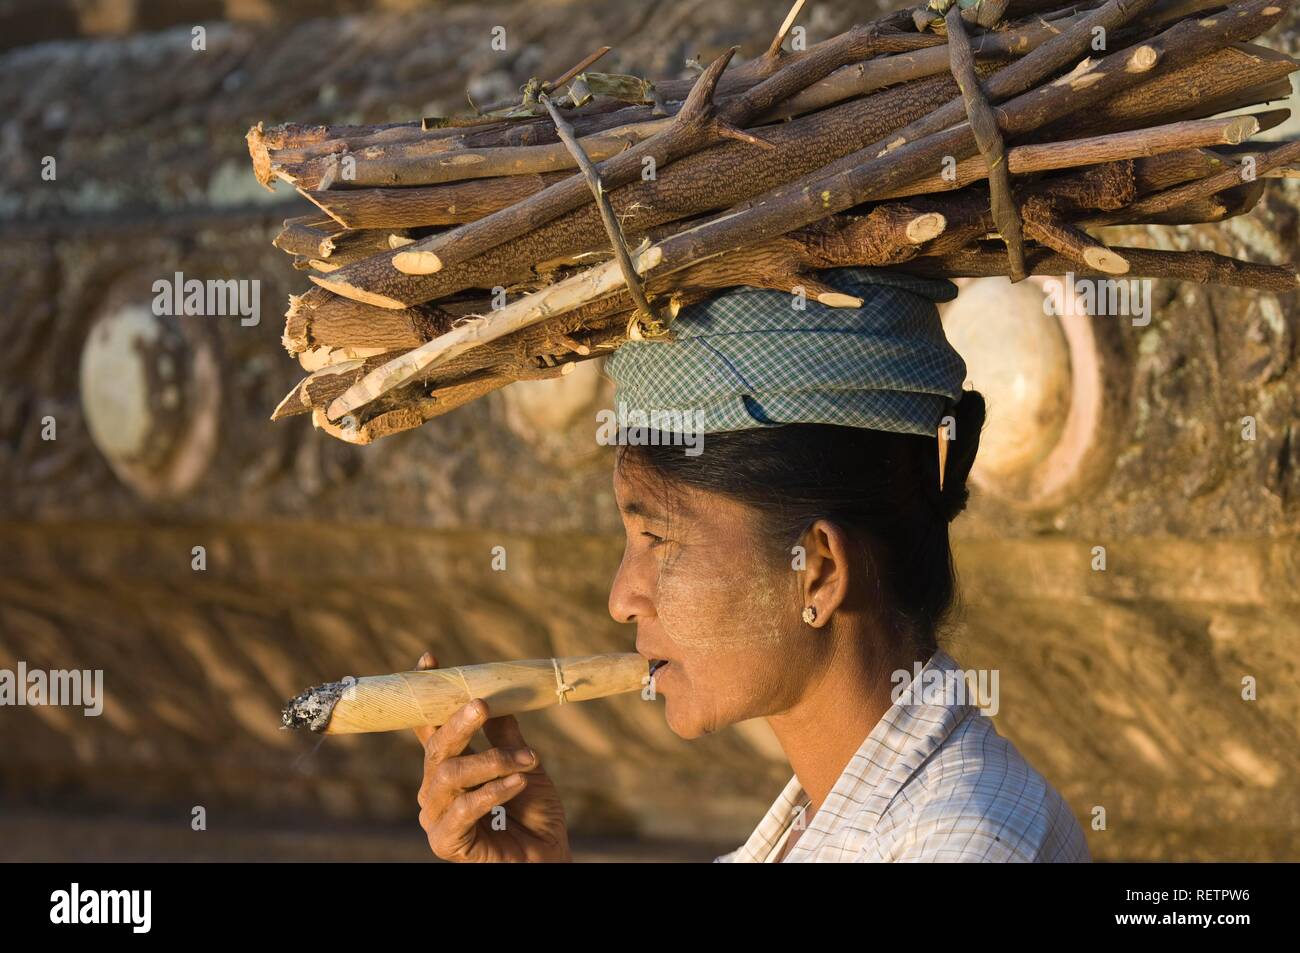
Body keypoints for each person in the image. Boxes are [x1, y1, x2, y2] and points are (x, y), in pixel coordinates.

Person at [411, 267, 1090, 863]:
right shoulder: (812, 834)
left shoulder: (964, 845)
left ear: (817, 569)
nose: (622, 598)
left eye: (659, 540)